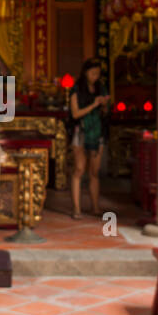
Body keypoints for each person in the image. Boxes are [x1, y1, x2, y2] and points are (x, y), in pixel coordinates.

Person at [68, 57, 109, 219]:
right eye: (93, 73)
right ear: (85, 73)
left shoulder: (101, 88)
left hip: (97, 131)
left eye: (98, 74)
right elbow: (75, 113)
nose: (95, 76)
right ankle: (76, 208)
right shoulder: (77, 89)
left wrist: (104, 104)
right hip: (81, 131)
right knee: (79, 169)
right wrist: (93, 104)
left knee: (94, 171)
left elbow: (105, 113)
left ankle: (95, 207)